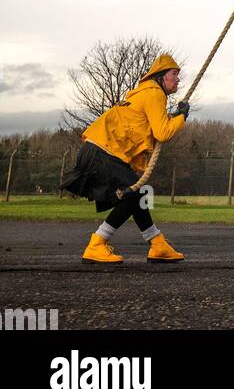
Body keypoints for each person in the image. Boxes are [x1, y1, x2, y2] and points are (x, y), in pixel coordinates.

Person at [62, 53, 189, 264]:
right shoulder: (154, 93)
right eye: (174, 74)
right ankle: (97, 244)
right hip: (102, 152)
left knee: (137, 195)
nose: (178, 79)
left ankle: (158, 245)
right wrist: (183, 117)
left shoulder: (145, 93)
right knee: (133, 195)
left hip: (98, 150)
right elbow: (163, 133)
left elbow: (151, 126)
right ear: (160, 76)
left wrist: (174, 116)